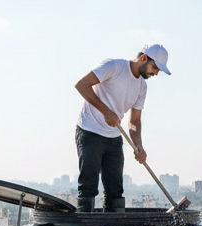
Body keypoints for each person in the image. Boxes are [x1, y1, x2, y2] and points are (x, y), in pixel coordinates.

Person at [73, 44, 171, 212]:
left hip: (114, 138)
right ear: (144, 58)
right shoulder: (114, 67)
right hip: (90, 132)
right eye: (155, 68)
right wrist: (106, 111)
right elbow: (81, 85)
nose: (156, 73)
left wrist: (138, 145)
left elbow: (134, 121)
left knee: (115, 191)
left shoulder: (142, 87)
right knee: (88, 187)